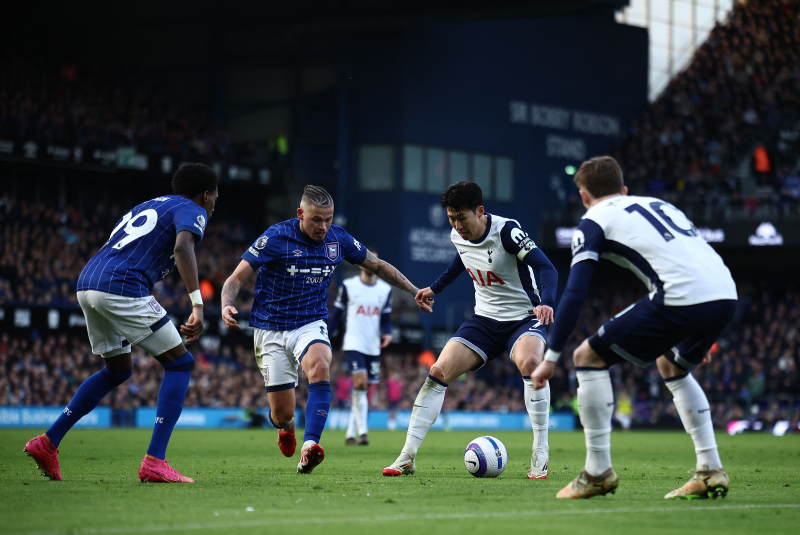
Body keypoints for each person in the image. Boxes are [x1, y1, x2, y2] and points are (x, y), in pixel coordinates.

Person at [533, 156, 737, 499]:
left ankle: (597, 473)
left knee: (586, 356)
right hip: (724, 293)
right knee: (670, 363)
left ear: (584, 197)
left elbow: (576, 291)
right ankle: (710, 468)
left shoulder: (592, 220)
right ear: (624, 190)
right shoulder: (659, 204)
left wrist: (551, 356)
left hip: (682, 297)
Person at [24, 163, 219, 483]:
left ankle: (47, 442)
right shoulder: (192, 208)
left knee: (117, 370)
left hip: (87, 283)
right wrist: (197, 304)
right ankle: (155, 460)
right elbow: (183, 247)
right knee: (180, 363)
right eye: (214, 197)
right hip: (122, 286)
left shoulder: (147, 205)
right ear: (205, 194)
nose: (214, 204)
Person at [221, 185, 431, 474]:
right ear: (300, 214)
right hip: (270, 329)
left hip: (310, 322)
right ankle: (287, 427)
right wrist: (226, 304)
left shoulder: (338, 239)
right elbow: (236, 277)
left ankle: (310, 446)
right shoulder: (275, 237)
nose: (323, 226)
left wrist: (414, 290)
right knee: (281, 414)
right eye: (316, 219)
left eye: (328, 219)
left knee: (320, 366)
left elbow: (377, 265)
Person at [383, 181, 558, 479]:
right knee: (438, 370)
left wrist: (547, 302)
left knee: (531, 364)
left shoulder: (507, 232)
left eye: (461, 217)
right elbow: (460, 261)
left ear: (480, 211)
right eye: (451, 218)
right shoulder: (457, 234)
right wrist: (434, 288)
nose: (456, 225)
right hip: (485, 319)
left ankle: (540, 451)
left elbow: (547, 268)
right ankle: (407, 456)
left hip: (524, 317)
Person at [328, 247, 393, 446]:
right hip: (353, 344)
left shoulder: (385, 290)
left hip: (373, 346)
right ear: (360, 263)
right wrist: (325, 338)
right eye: (368, 260)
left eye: (375, 260)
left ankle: (350, 433)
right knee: (362, 384)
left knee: (361, 390)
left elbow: (386, 317)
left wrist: (388, 333)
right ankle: (363, 432)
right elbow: (337, 315)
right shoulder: (349, 286)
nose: (371, 263)